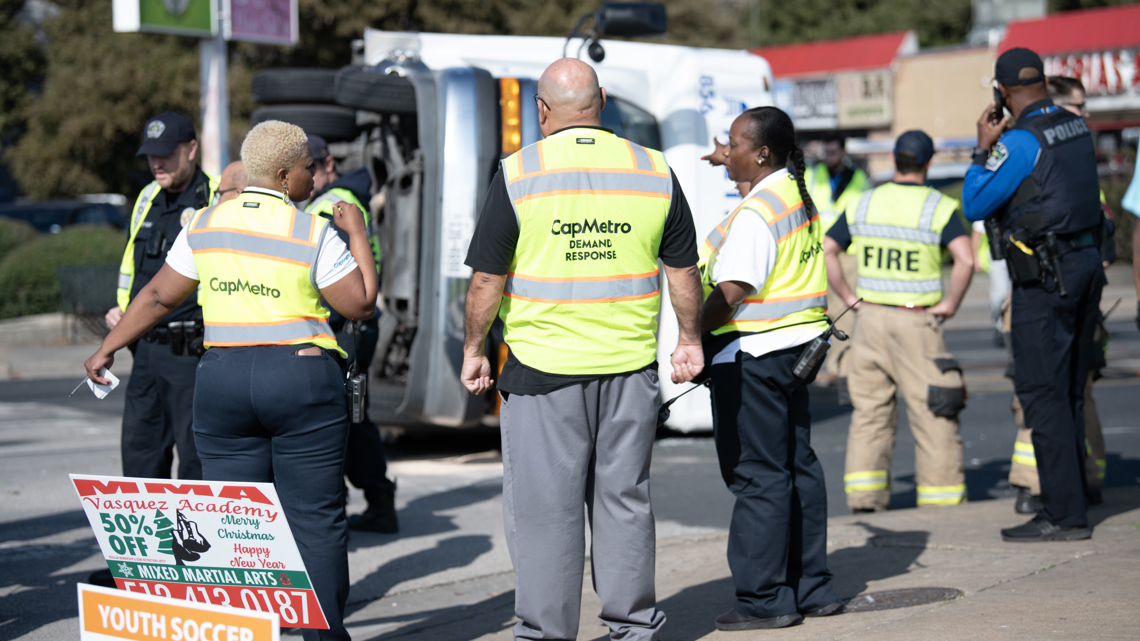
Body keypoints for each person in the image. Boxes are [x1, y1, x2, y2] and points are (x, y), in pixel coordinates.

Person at [85, 120, 378, 640]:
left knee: (235, 524)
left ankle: (249, 630)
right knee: (314, 519)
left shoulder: (204, 224)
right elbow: (358, 303)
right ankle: (323, 635)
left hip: (222, 383)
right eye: (309, 168)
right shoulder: (309, 229)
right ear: (285, 176)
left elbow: (154, 297)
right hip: (301, 381)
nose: (315, 177)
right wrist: (355, 234)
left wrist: (107, 347)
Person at [460, 58, 704, 641]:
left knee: (547, 514)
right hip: (630, 369)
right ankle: (634, 627)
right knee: (624, 502)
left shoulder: (519, 172)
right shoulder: (653, 169)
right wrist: (690, 340)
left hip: (545, 373)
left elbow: (487, 283)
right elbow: (685, 274)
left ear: (543, 112)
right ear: (602, 102)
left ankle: (547, 634)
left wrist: (473, 348)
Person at [701, 106, 842, 630]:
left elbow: (733, 290)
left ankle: (764, 599)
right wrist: (727, 163)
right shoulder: (791, 195)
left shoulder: (758, 212)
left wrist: (692, 331)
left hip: (755, 355)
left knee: (760, 476)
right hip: (796, 350)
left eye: (736, 144)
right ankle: (812, 587)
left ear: (761, 153)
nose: (728, 149)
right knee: (796, 465)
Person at [963, 48, 1104, 543]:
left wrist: (983, 149)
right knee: (1068, 389)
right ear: (1043, 81)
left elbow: (975, 202)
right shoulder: (1075, 125)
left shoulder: (1020, 142)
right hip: (1086, 270)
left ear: (1001, 92)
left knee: (1042, 395)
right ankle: (1076, 495)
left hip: (1045, 282)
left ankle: (1063, 516)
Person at [824, 130, 974, 513]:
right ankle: (943, 502)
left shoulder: (864, 202)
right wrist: (951, 303)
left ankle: (864, 498)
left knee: (870, 414)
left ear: (894, 159)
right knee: (933, 414)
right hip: (916, 322)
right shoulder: (937, 207)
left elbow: (828, 249)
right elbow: (967, 259)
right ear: (927, 163)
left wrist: (847, 296)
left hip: (869, 320)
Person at [1005, 74, 1111, 514]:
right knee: (1053, 394)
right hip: (1054, 279)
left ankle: (1070, 498)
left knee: (1060, 392)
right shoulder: (1044, 147)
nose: (1082, 115)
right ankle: (1044, 489)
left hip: (1064, 281)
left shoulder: (1052, 147)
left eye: (1084, 108)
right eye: (1077, 106)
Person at [106, 112, 217, 481]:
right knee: (139, 455)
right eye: (151, 154)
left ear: (191, 150)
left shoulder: (215, 198)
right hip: (145, 349)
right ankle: (151, 537)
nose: (157, 162)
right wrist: (121, 310)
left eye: (166, 153)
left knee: (195, 461)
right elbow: (133, 268)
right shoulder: (146, 197)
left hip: (193, 352)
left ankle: (191, 540)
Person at [303, 135, 397, 534]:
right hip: (356, 325)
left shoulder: (330, 205)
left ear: (326, 165)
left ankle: (348, 503)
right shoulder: (345, 198)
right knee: (354, 417)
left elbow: (331, 278)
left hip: (344, 326)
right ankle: (376, 500)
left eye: (309, 167)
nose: (305, 176)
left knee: (339, 420)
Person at [807, 134, 870, 383]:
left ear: (843, 152)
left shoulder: (859, 179)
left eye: (833, 152)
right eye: (826, 152)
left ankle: (840, 367)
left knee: (847, 310)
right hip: (817, 251)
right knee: (823, 311)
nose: (829, 157)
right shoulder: (812, 175)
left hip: (848, 253)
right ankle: (824, 364)